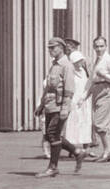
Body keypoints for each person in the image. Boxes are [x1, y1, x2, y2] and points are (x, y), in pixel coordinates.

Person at [35, 37, 84, 178]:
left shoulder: (66, 65)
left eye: (53, 48)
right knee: (53, 135)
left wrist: (65, 108)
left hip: (59, 106)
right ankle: (77, 152)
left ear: (61, 48)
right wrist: (41, 105)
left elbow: (69, 89)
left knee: (52, 134)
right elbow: (48, 88)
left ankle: (53, 167)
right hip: (50, 106)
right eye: (49, 48)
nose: (50, 50)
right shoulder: (54, 65)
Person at [88, 36, 110, 161]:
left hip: (107, 89)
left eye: (101, 46)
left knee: (99, 122)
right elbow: (91, 80)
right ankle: (108, 152)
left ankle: (108, 151)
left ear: (106, 47)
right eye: (96, 46)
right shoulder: (96, 60)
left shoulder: (109, 60)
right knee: (102, 123)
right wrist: (83, 97)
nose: (99, 48)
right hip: (97, 90)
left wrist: (105, 75)